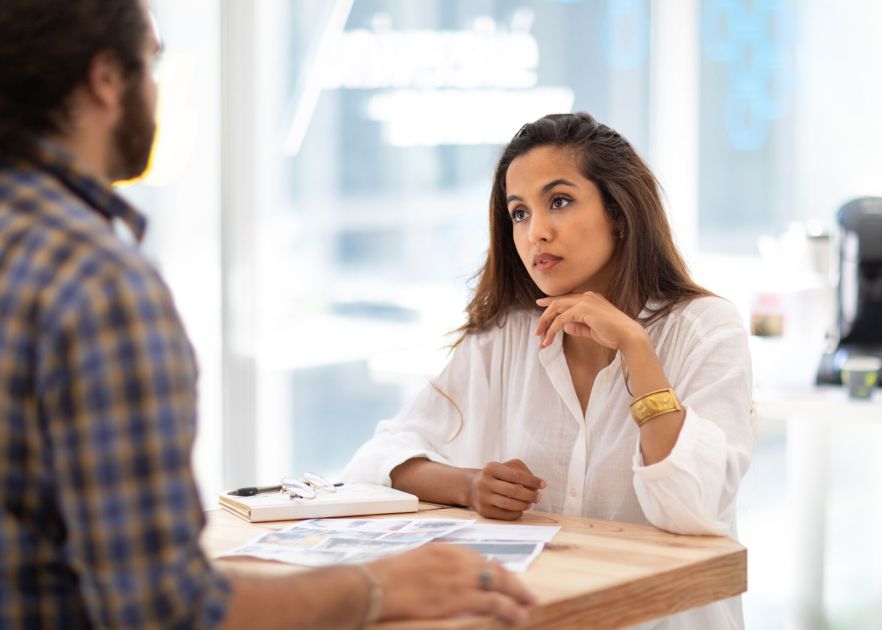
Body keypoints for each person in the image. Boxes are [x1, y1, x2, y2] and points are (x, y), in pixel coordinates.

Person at [0, 1, 535, 628]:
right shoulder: (99, 287)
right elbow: (164, 611)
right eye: (152, 62)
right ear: (106, 79)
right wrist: (374, 589)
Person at [343, 112, 755, 629]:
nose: (536, 232)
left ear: (620, 212)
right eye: (519, 213)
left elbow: (690, 508)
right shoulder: (506, 334)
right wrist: (467, 485)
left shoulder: (704, 329)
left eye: (559, 202)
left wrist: (636, 348)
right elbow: (373, 462)